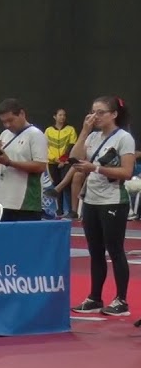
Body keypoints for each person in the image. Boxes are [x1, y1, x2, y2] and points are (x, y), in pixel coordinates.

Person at [69, 96, 134, 316]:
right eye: (92, 112)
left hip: (113, 200)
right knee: (95, 251)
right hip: (92, 200)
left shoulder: (124, 138)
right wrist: (84, 132)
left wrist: (95, 169)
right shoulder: (93, 136)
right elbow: (75, 159)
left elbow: (126, 172)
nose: (95, 116)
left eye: (100, 112)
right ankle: (94, 297)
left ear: (113, 114)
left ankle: (121, 300)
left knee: (115, 250)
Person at [0, 98, 48, 221]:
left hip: (25, 202)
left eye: (10, 120)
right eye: (4, 122)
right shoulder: (4, 134)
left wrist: (9, 162)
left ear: (22, 114)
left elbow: (40, 166)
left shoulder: (36, 135)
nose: (8, 125)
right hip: (3, 200)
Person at [43, 108, 77, 217]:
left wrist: (63, 160)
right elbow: (45, 146)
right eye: (60, 115)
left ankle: (71, 211)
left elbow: (72, 146)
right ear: (55, 117)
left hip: (66, 163)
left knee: (66, 185)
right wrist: (54, 159)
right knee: (56, 185)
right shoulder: (48, 130)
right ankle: (59, 211)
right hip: (52, 163)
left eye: (64, 115)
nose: (62, 117)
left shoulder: (70, 129)